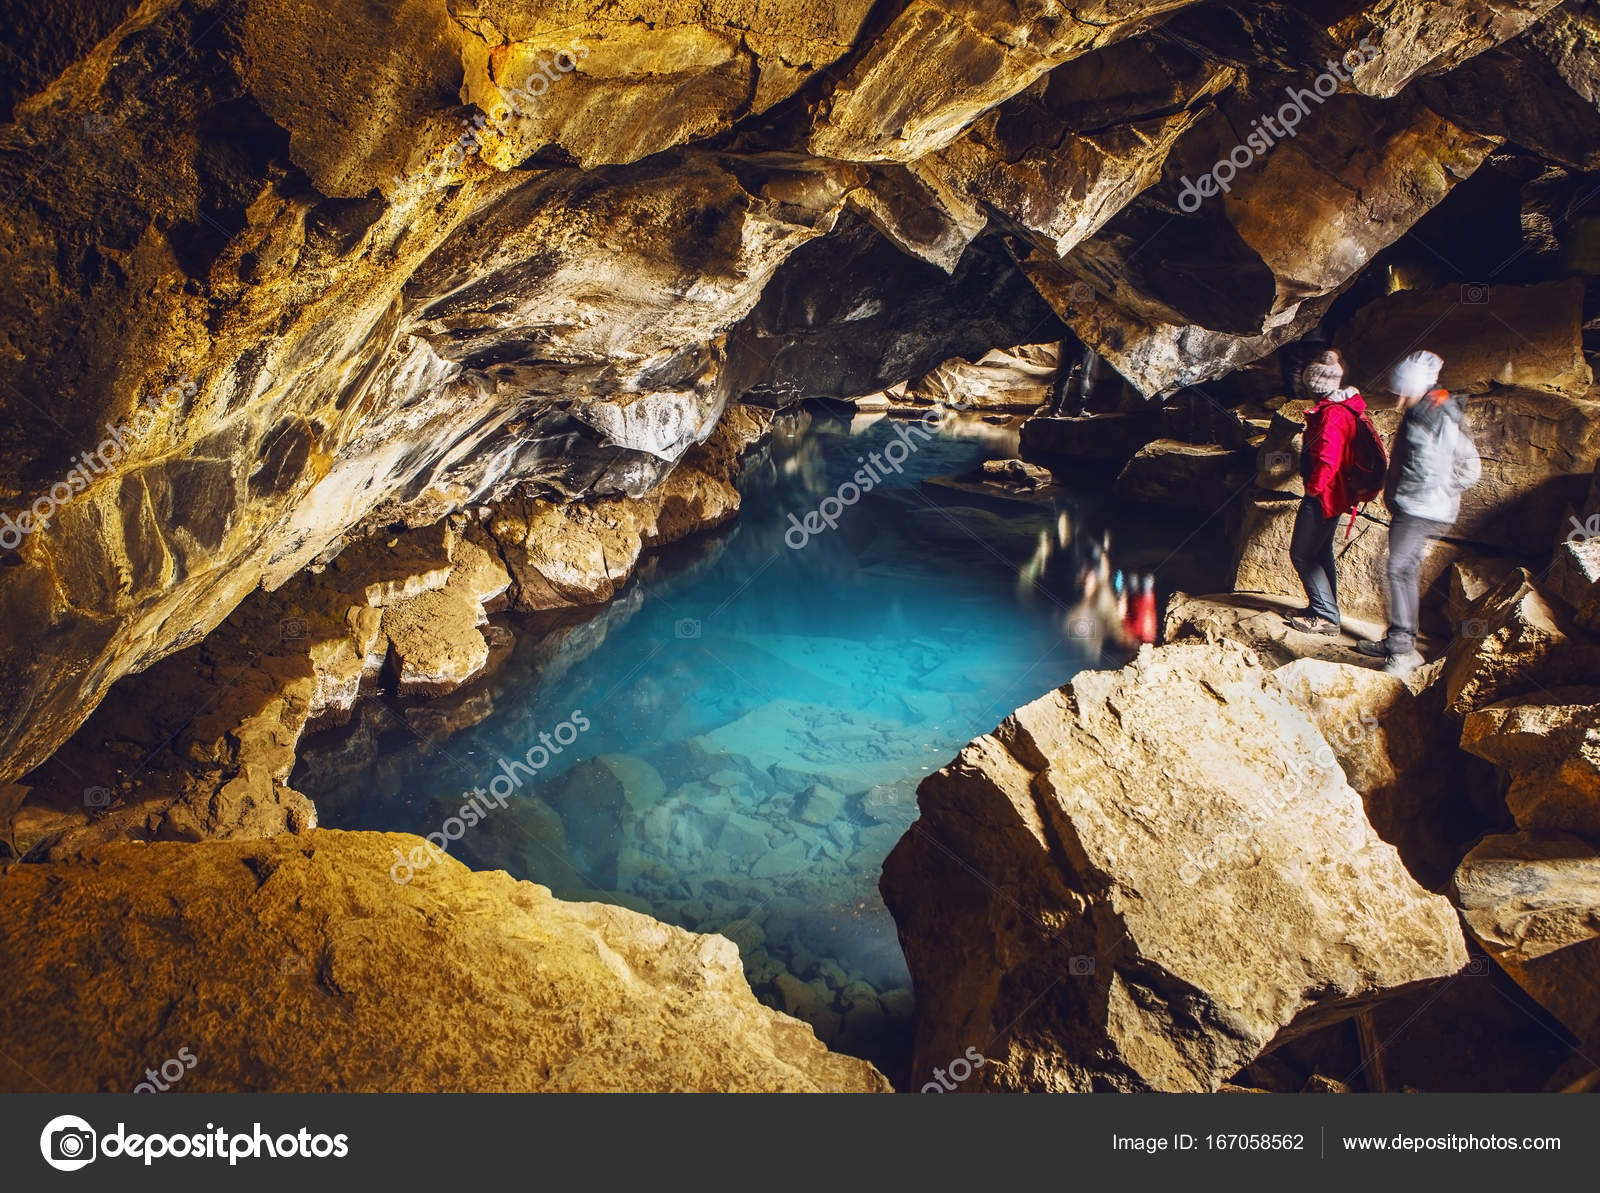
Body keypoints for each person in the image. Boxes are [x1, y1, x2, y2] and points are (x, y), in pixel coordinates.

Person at [1355, 350, 1480, 675]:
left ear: (1416, 388)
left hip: (1421, 509)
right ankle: (1399, 639)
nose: (1398, 402)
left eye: (1402, 394)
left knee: (1396, 568)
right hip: (1416, 506)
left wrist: (1435, 493)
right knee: (1402, 570)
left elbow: (1467, 469)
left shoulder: (1436, 416)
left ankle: (1403, 651)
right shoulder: (1427, 409)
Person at [1286, 350, 1366, 635]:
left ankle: (1326, 616)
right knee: (1320, 552)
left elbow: (1329, 460)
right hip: (1337, 494)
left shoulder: (1332, 414)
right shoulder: (1342, 408)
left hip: (1326, 496)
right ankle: (1321, 606)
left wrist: (1314, 489)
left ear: (1316, 387)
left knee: (1301, 554)